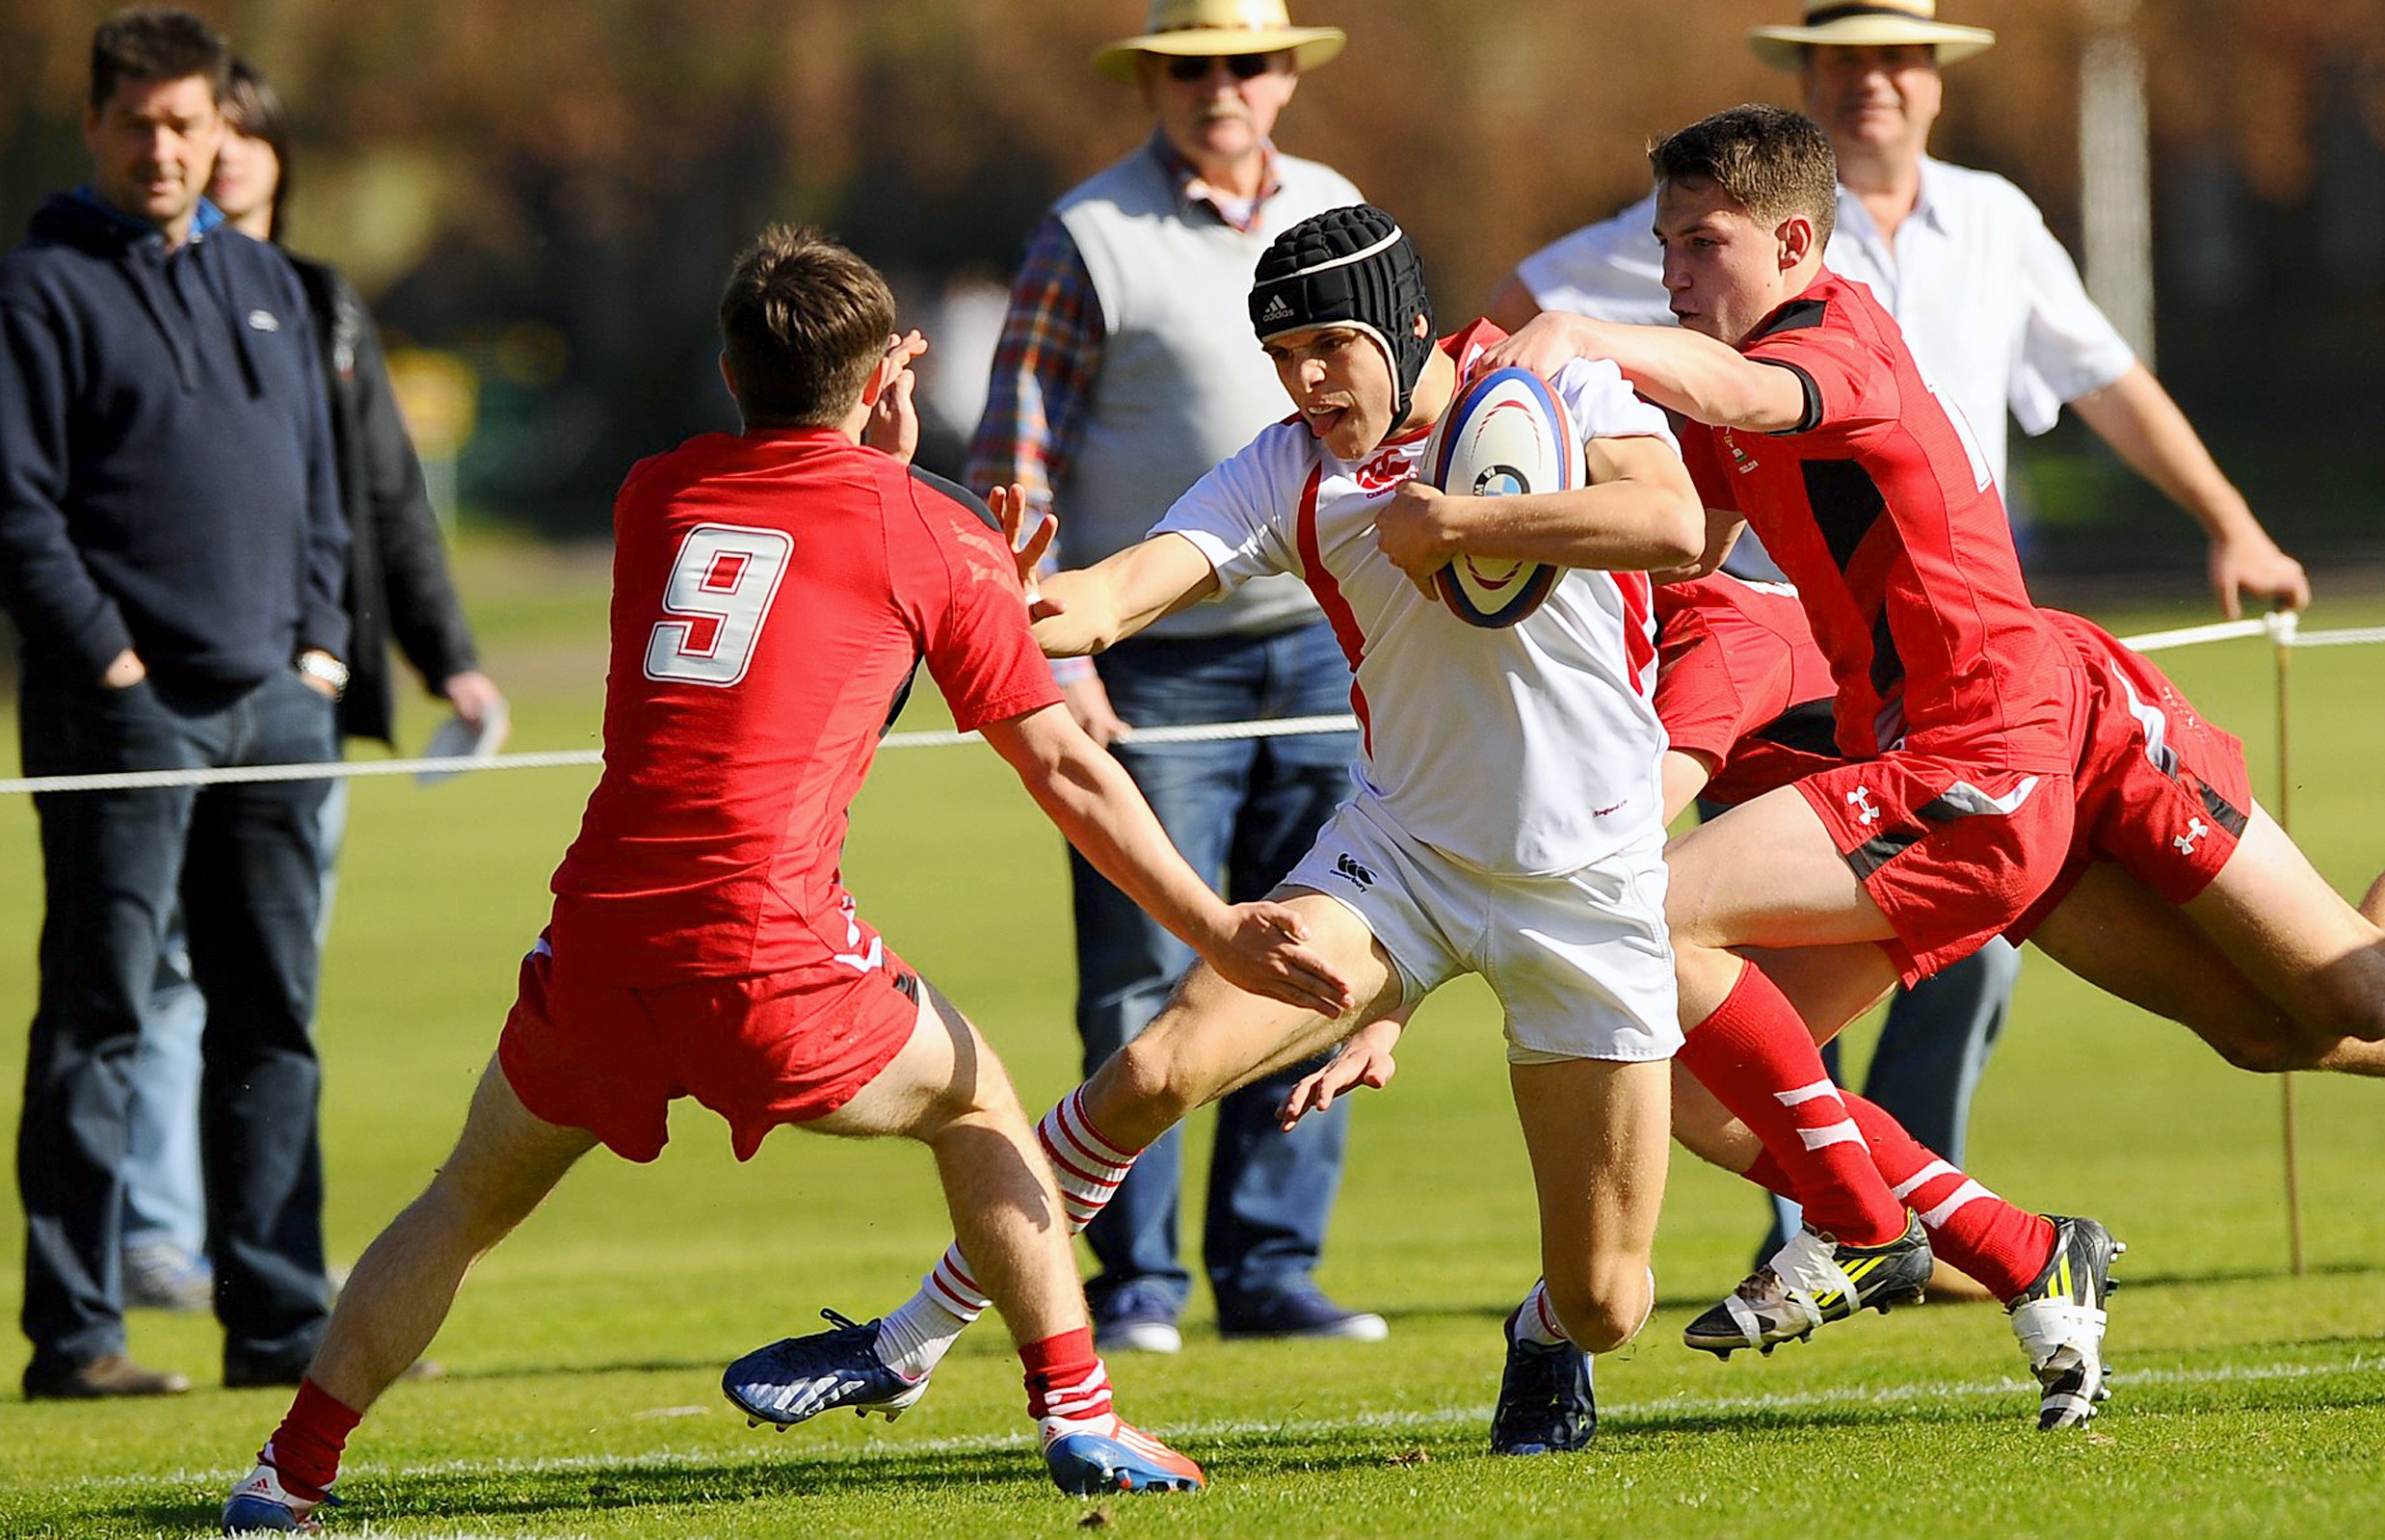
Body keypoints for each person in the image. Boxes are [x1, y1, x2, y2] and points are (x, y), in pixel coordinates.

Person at [1472, 105, 2385, 1419]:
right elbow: (1682, 534)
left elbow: (1762, 396)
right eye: (1662, 247)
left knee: (2358, 989)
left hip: (2032, 731)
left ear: (1795, 241)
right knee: (2275, 1025)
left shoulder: (1826, 341)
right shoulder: (1719, 382)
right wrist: (1491, 507)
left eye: (1701, 244)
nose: (1673, 274)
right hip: (1958, 768)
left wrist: (1582, 336)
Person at [727, 203, 1974, 1453]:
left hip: (1591, 883)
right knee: (1157, 1068)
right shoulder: (1287, 466)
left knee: (1607, 1300)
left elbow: (1670, 525)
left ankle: (1539, 1329)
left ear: (1402, 324)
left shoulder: (1552, 389)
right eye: (1280, 357)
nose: (1305, 380)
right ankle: (909, 1341)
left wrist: (1464, 526)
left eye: (1328, 346)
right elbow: (1104, 601)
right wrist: (980, 571)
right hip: (1398, 864)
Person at [211, 226, 1336, 1529]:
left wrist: (878, 453)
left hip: (601, 944)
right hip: (766, 953)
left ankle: (283, 1476)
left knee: (460, 1200)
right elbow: (1067, 771)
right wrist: (1216, 924)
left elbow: (803, 543)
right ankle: (1077, 1411)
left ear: (731, 371)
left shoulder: (655, 496)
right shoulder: (932, 531)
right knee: (981, 1105)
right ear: (883, 380)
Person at [1489, 0, 2313, 1206]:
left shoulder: (1970, 229)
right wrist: (1497, 518)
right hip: (1807, 670)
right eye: (1842, 53)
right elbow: (1528, 349)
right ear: (1807, 75)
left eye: (1897, 52)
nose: (1871, 75)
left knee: (2312, 1000)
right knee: (2288, 1017)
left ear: (1934, 79)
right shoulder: (1701, 226)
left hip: (1990, 686)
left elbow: (2097, 379)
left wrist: (2231, 516)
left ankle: (1894, 1216)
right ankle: (1868, 1221)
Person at [960, 0, 1378, 1351]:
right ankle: (1134, 1277)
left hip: (1328, 647)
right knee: (1143, 964)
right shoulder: (1091, 232)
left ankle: (1269, 1265)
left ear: (1285, 75)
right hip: (1146, 658)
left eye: (1246, 64)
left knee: (1314, 945)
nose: (1222, 89)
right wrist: (1057, 661)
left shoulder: (1337, 213)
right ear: (1153, 78)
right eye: (1193, 68)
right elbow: (1017, 453)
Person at [112, 57, 510, 1316]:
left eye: (237, 134)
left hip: (299, 691)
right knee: (164, 969)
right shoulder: (124, 285)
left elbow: (383, 494)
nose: (216, 155)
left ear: (271, 153)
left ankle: (269, 1258)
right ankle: (162, 1239)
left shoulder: (320, 303)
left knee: (273, 985)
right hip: (170, 691)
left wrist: (436, 651)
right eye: (193, 130)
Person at [0, 7, 347, 1402]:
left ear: (221, 132)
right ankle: (75, 1333)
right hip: (122, 715)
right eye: (136, 120)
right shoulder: (38, 289)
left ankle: (276, 1319)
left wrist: (319, 646)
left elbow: (319, 493)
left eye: (186, 122)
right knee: (97, 1018)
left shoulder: (263, 280)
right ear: (95, 125)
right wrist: (114, 663)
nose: (162, 146)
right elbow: (15, 508)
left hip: (279, 704)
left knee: (275, 1018)